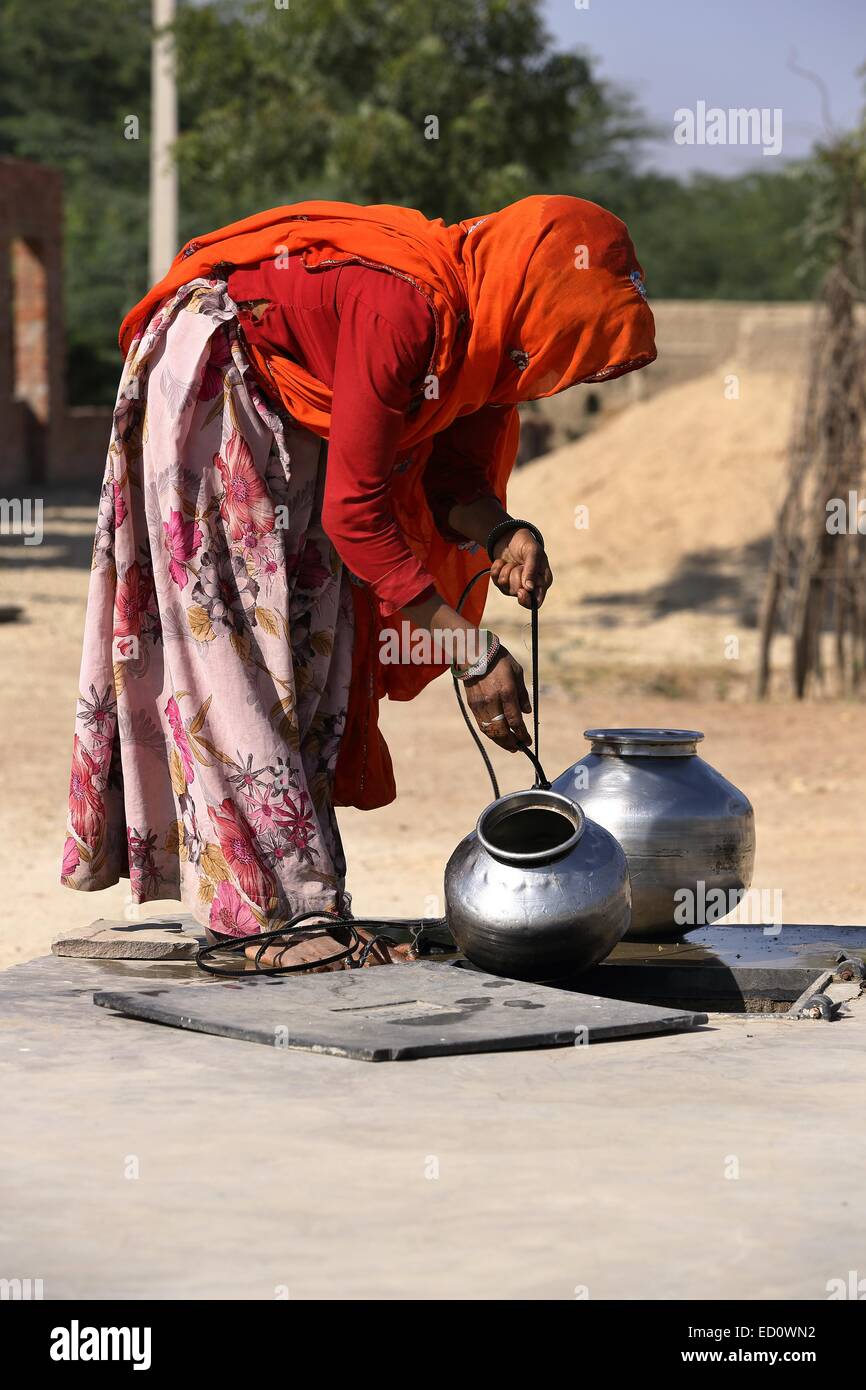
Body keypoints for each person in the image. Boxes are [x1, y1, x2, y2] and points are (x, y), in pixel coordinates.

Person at [62, 194, 656, 969]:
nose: (555, 370)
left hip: (294, 412)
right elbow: (358, 512)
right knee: (233, 648)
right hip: (220, 377)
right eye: (565, 343)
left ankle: (305, 901)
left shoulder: (491, 346)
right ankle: (277, 917)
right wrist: (471, 652)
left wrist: (504, 533)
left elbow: (452, 480)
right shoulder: (406, 307)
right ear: (534, 292)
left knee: (311, 644)